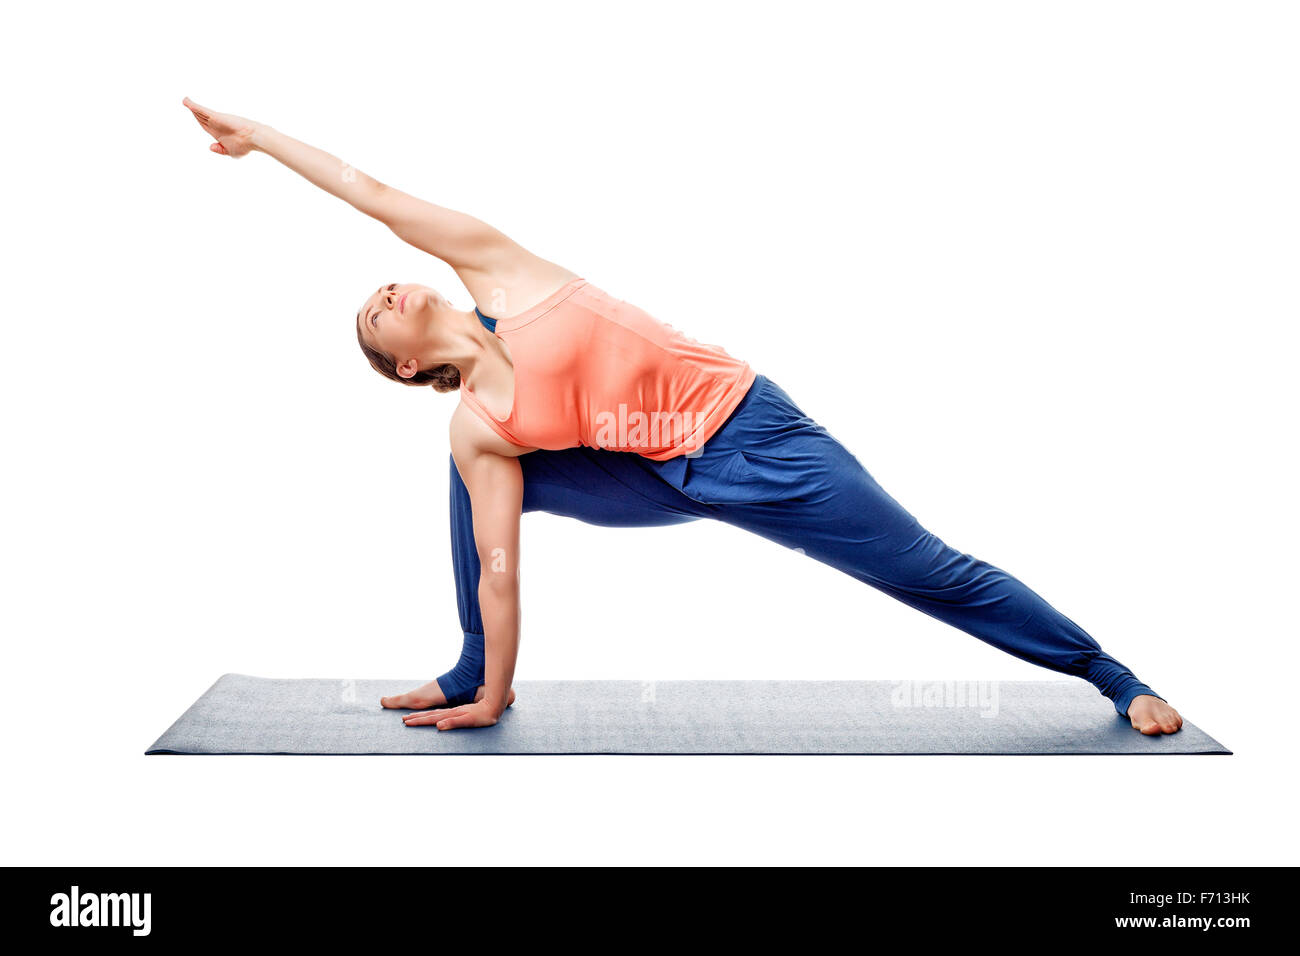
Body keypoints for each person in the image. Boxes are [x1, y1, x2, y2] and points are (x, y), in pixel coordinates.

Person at [182, 97, 1184, 736]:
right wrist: (498, 684)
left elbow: (368, 189)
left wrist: (260, 139)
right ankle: (473, 676)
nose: (388, 289)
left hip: (748, 431)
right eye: (373, 315)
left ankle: (1110, 672)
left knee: (924, 568)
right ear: (403, 364)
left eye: (384, 283)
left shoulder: (491, 264)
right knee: (476, 480)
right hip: (650, 476)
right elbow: (498, 563)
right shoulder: (475, 423)